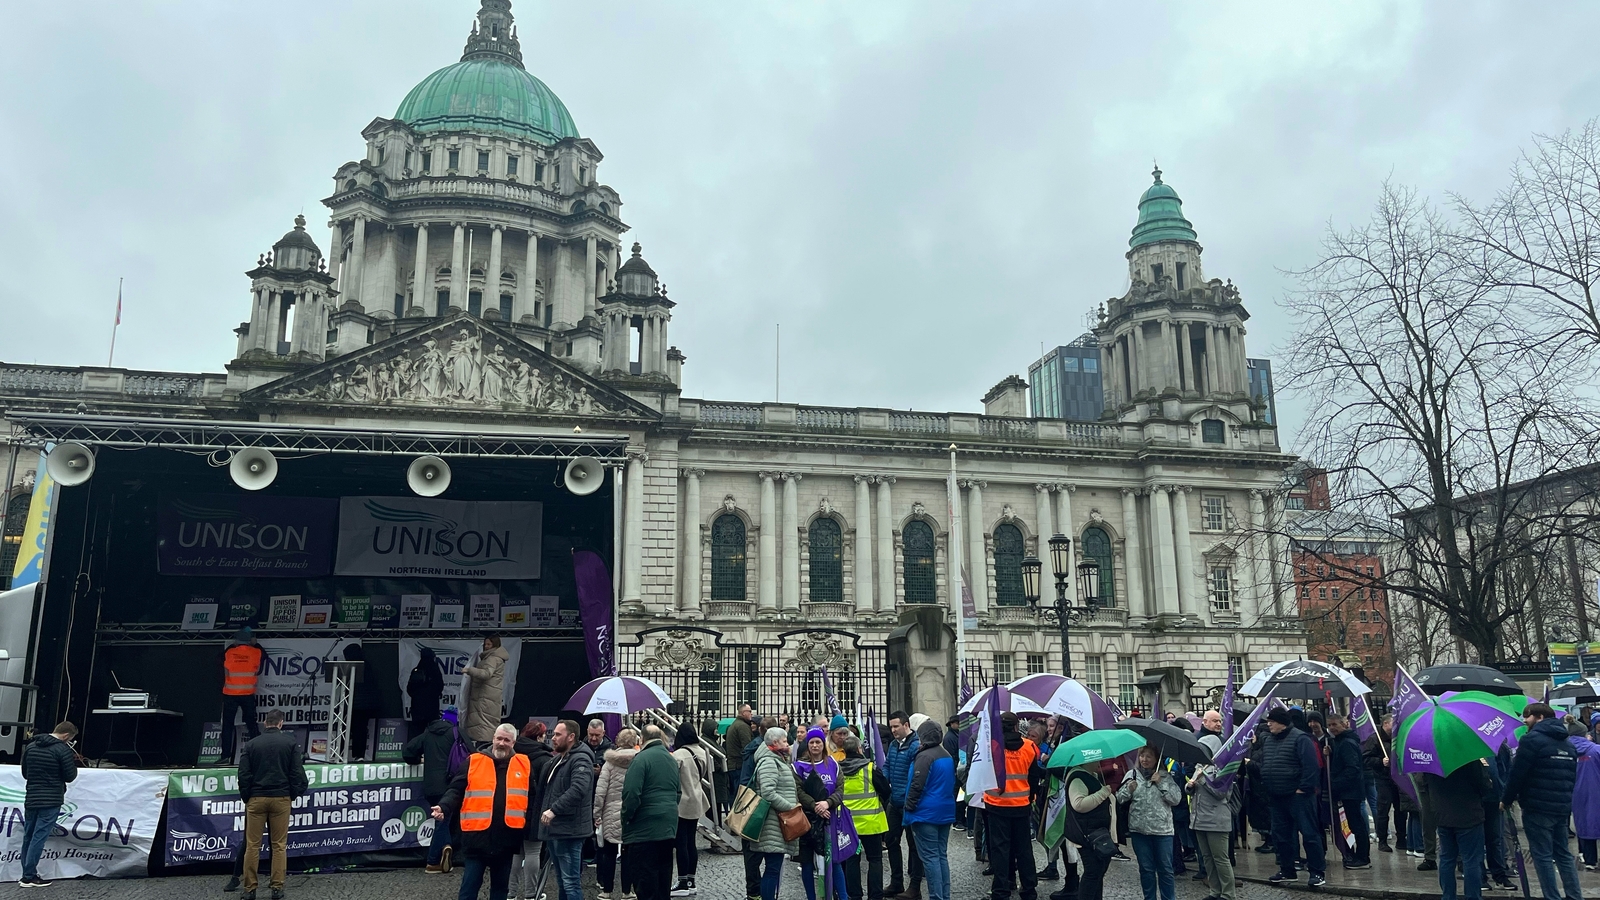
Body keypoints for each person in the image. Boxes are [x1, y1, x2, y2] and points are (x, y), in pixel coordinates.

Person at [434, 724, 529, 900]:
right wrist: (444, 806)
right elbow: (456, 789)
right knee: (469, 889)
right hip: (477, 838)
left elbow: (533, 797)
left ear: (513, 742)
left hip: (506, 839)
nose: (501, 743)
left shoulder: (523, 764)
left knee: (500, 891)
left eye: (506, 740)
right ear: (493, 738)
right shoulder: (474, 761)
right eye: (499, 738)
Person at [1503, 703, 1583, 900]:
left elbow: (1517, 774)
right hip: (1561, 807)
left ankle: (1552, 897)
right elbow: (1571, 777)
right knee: (1563, 854)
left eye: (1527, 716)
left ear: (1538, 717)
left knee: (1543, 855)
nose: (1524, 720)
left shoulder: (1531, 740)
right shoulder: (1568, 743)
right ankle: (1574, 896)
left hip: (1537, 807)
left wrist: (1506, 799)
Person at [238, 709, 308, 900]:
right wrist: (293, 794)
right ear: (280, 723)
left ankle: (249, 889)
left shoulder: (251, 744)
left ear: (264, 723)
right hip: (281, 798)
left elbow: (243, 774)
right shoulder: (290, 743)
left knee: (252, 845)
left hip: (256, 799)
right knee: (279, 846)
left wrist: (248, 797)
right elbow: (297, 774)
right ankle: (277, 888)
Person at [1261, 706, 1326, 887]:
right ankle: (1287, 870)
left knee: (1309, 834)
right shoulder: (1269, 740)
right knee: (1281, 836)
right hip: (1276, 796)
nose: (1269, 724)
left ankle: (1317, 872)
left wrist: (1303, 788)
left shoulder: (1301, 738)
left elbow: (1311, 766)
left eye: (1271, 721)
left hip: (1298, 796)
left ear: (1281, 722)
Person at [985, 712, 1040, 900]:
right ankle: (1029, 888)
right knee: (1024, 849)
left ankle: (1001, 890)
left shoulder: (992, 747)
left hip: (996, 804)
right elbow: (1034, 776)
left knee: (1000, 850)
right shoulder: (1030, 746)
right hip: (1022, 804)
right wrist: (1031, 795)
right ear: (1017, 726)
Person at [623, 725, 682, 900]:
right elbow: (678, 792)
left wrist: (627, 817)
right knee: (663, 882)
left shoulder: (641, 760)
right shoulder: (671, 759)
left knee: (645, 883)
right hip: (667, 827)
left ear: (642, 739)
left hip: (643, 830)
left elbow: (631, 794)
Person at [541, 719, 597, 900]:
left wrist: (554, 810)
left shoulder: (580, 758)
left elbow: (578, 789)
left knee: (570, 882)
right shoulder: (560, 758)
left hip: (569, 830)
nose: (553, 738)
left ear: (571, 737)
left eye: (558, 734)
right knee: (563, 881)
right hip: (558, 829)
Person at [17, 721, 78, 888]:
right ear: (66, 736)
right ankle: (29, 876)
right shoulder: (62, 750)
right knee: (39, 836)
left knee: (28, 835)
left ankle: (25, 874)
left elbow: (25, 773)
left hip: (32, 797)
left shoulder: (31, 746)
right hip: (51, 799)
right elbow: (70, 776)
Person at [1117, 746, 1181, 900]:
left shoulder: (1165, 776)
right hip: (1139, 831)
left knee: (1165, 870)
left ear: (1156, 759)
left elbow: (1176, 799)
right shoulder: (1132, 775)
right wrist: (1128, 790)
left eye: (1149, 756)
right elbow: (1119, 798)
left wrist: (1161, 783)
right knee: (1146, 869)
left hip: (1162, 832)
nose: (1144, 760)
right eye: (1142, 756)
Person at [902, 719, 955, 900]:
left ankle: (936, 897)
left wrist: (909, 806)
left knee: (930, 858)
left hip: (925, 814)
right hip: (944, 811)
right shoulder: (946, 754)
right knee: (941, 856)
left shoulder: (924, 756)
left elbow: (917, 784)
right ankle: (944, 896)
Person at [405, 708, 462, 873]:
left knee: (441, 820)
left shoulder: (427, 733)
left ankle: (441, 853)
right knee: (443, 821)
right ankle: (434, 859)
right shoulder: (457, 733)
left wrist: (417, 759)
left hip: (430, 787)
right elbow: (472, 754)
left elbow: (407, 752)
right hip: (451, 785)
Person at [1426, 758, 1492, 900]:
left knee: (1446, 858)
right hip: (1469, 815)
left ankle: (1448, 896)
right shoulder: (1469, 758)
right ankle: (1473, 896)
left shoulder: (1433, 759)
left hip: (1443, 815)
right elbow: (1484, 785)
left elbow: (1426, 784)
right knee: (1471, 861)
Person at [750, 726, 801, 900]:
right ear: (775, 742)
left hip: (777, 822)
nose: (788, 744)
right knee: (772, 869)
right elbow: (768, 793)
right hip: (773, 823)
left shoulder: (777, 759)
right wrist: (791, 808)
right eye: (785, 741)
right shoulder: (769, 761)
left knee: (773, 868)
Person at [795, 727, 845, 900]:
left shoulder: (833, 764)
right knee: (807, 862)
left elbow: (840, 789)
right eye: (812, 742)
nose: (815, 745)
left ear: (823, 744)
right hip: (807, 820)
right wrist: (815, 805)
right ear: (807, 745)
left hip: (829, 819)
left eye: (818, 742)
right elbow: (798, 791)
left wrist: (828, 803)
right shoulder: (799, 766)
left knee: (834, 861)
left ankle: (842, 896)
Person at [839, 733, 890, 900]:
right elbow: (885, 790)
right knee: (875, 860)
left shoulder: (838, 769)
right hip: (871, 823)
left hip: (848, 825)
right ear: (859, 749)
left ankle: (854, 895)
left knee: (852, 861)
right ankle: (875, 896)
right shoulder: (869, 768)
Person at [510, 722, 555, 900]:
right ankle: (531, 894)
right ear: (539, 737)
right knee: (533, 852)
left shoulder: (513, 754)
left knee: (515, 852)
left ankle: (510, 893)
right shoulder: (544, 758)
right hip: (535, 809)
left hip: (513, 808)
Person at [1188, 734, 1236, 900]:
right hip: (1199, 818)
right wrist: (1190, 786)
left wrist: (1202, 782)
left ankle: (1228, 893)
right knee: (1207, 858)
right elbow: (1193, 788)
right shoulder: (1199, 766)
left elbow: (1221, 792)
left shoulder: (1223, 768)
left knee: (1220, 858)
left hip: (1216, 819)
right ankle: (1215, 891)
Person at [594, 729, 640, 900]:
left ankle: (606, 890)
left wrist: (596, 814)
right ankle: (627, 891)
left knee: (609, 853)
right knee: (628, 853)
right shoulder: (639, 760)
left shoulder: (609, 762)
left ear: (618, 741)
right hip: (632, 811)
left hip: (610, 811)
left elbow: (601, 792)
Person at [671, 724, 714, 896]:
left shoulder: (679, 755)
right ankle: (691, 880)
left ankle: (682, 882)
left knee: (681, 842)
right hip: (696, 798)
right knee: (691, 842)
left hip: (683, 801)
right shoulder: (703, 752)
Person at [1065, 758, 1115, 900]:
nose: (1100, 761)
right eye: (1096, 759)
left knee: (1098, 871)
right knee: (1093, 872)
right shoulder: (1078, 778)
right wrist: (1103, 793)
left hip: (1095, 832)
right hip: (1086, 834)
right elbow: (1079, 804)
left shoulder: (1091, 775)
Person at [883, 711, 921, 900]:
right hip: (894, 801)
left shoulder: (915, 746)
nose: (893, 730)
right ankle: (896, 881)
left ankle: (915, 886)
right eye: (891, 727)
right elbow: (888, 766)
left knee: (914, 845)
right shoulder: (892, 745)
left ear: (906, 725)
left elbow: (915, 775)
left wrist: (909, 798)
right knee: (891, 840)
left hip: (909, 803)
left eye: (896, 726)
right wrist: (883, 781)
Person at [1326, 714, 1371, 869]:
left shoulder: (1347, 743)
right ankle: (1358, 855)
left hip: (1350, 791)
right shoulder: (1339, 742)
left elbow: (1352, 769)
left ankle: (1363, 857)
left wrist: (1335, 784)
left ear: (1343, 724)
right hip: (1347, 790)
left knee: (1356, 825)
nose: (1332, 728)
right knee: (1353, 824)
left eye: (1334, 724)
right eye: (1329, 725)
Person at [220, 626, 264, 764]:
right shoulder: (256, 652)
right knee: (251, 724)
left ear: (236, 640)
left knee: (227, 725)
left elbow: (226, 670)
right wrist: (254, 642)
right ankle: (259, 753)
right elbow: (259, 665)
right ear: (250, 640)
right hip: (248, 693)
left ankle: (225, 756)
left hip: (230, 693)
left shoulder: (229, 653)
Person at [1362, 714, 1400, 854]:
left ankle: (1401, 839)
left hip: (1398, 778)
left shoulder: (1397, 737)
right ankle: (1382, 840)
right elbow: (1365, 758)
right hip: (1383, 778)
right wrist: (1380, 762)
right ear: (1385, 723)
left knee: (1400, 810)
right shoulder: (1374, 739)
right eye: (1392, 723)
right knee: (1383, 810)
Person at [463, 637, 509, 745]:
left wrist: (469, 670)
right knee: (487, 727)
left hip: (484, 699)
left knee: (482, 731)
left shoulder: (492, 658)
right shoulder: (496, 658)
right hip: (488, 698)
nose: (486, 646)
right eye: (485, 644)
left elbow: (486, 674)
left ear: (495, 645)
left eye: (489, 644)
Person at [1569, 718, 1599, 871]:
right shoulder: (1595, 750)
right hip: (1596, 791)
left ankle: (1589, 859)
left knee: (1583, 823)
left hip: (1574, 793)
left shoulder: (1565, 749)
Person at [342, 642, 379, 761]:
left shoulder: (350, 667)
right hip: (366, 705)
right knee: (361, 729)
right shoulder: (367, 665)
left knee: (347, 728)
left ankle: (342, 753)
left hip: (353, 703)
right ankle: (359, 755)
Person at [407, 646, 445, 739]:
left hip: (417, 709)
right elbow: (440, 686)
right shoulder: (435, 671)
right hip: (432, 709)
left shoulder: (416, 670)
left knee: (417, 734)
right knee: (433, 734)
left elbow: (409, 689)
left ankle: (416, 753)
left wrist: (417, 697)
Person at [725, 705, 756, 796]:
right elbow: (747, 747)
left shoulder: (736, 724)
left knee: (735, 795)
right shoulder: (742, 726)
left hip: (733, 765)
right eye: (749, 711)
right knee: (741, 795)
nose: (751, 713)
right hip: (739, 765)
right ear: (743, 713)